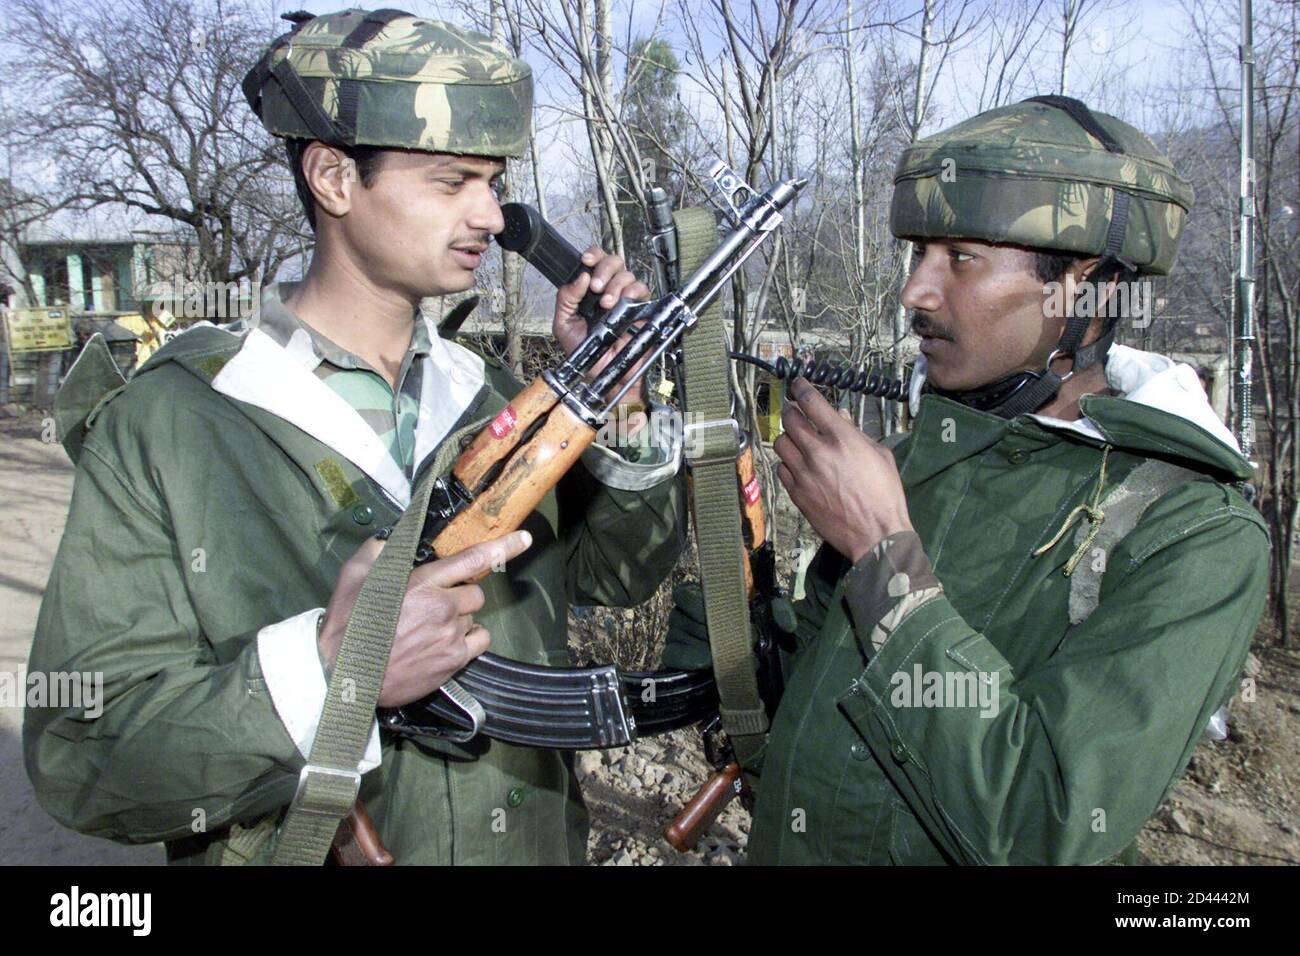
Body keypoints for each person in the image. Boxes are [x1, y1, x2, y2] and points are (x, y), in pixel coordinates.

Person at [25, 9, 684, 865]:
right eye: (452, 182)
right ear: (334, 179)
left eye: (493, 180)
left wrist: (619, 403)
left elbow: (615, 576)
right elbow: (82, 752)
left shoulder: (491, 401)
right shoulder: (176, 422)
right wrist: (329, 671)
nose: (492, 214)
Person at [671, 96, 1269, 865]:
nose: (915, 293)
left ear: (1081, 287)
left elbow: (1042, 816)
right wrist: (725, 616)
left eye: (961, 257)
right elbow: (822, 706)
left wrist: (886, 556)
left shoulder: (1194, 533)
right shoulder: (927, 458)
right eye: (919, 253)